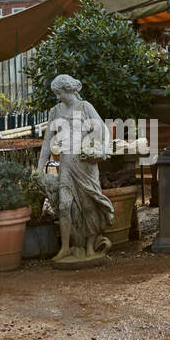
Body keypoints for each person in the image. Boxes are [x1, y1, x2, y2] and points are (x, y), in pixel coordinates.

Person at [38, 74, 114, 262]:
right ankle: (65, 248)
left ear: (68, 89)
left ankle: (89, 247)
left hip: (85, 165)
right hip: (66, 164)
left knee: (88, 206)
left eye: (59, 92)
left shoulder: (85, 107)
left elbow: (103, 131)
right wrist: (40, 167)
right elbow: (48, 140)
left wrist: (102, 150)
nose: (57, 96)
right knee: (64, 205)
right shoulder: (55, 111)